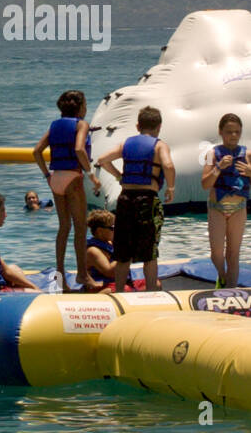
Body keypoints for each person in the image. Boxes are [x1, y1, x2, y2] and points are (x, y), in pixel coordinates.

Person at [97, 106, 174, 293]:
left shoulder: (126, 144)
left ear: (138, 126)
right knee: (150, 252)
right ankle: (150, 292)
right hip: (147, 200)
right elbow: (168, 165)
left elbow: (102, 159)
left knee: (122, 253)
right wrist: (171, 187)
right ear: (159, 127)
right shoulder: (159, 145)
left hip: (125, 199)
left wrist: (118, 175)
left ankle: (121, 293)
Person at [33, 90, 101, 290]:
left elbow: (37, 151)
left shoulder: (54, 125)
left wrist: (47, 176)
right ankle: (83, 276)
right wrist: (90, 175)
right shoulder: (81, 124)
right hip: (72, 177)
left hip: (56, 178)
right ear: (80, 107)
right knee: (80, 228)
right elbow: (80, 149)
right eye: (85, 104)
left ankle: (60, 276)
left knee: (64, 227)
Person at [200, 113, 251, 288]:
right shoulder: (213, 154)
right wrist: (218, 168)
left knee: (233, 254)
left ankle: (231, 289)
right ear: (220, 132)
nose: (233, 135)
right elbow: (205, 184)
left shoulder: (248, 154)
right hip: (217, 207)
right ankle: (222, 275)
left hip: (238, 208)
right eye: (229, 132)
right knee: (217, 253)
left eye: (237, 132)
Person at [83, 209, 118, 292]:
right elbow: (110, 273)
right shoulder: (93, 251)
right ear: (100, 231)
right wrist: (125, 253)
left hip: (116, 282)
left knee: (154, 282)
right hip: (101, 286)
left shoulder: (110, 243)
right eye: (112, 228)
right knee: (121, 289)